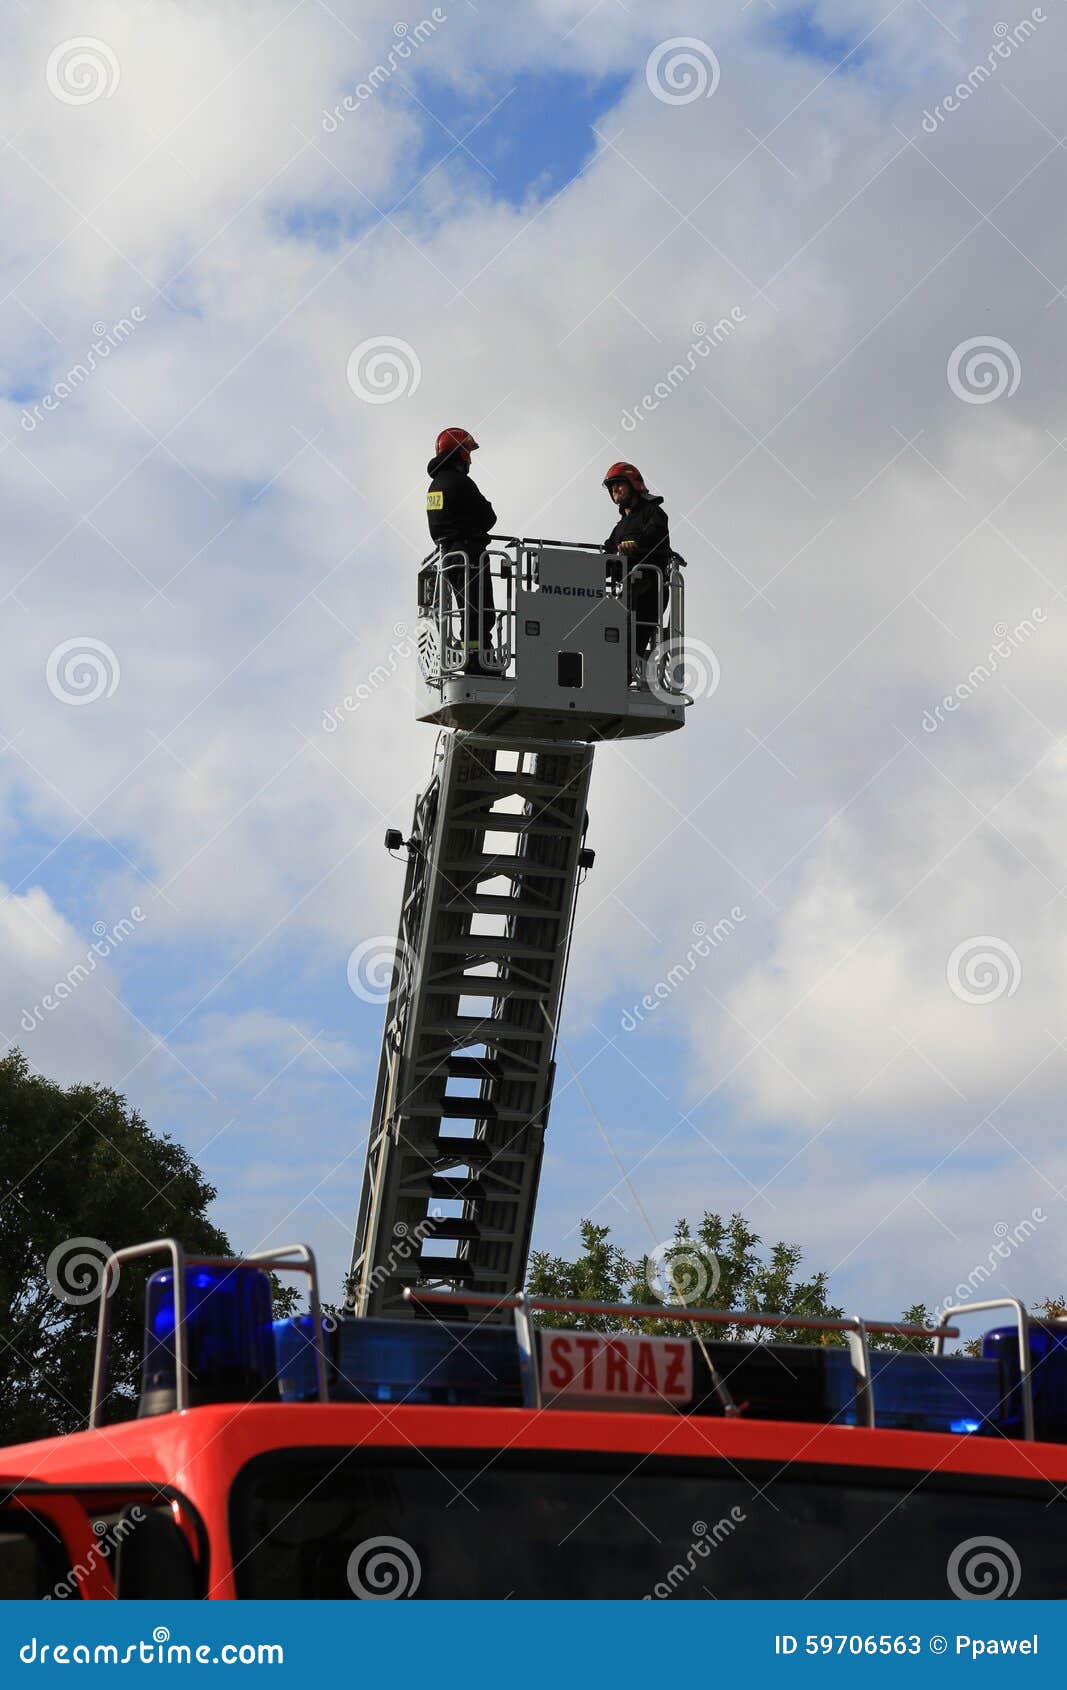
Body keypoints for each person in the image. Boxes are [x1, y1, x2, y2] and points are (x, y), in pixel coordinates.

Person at [426, 427, 497, 676]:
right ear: (462, 454)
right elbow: (489, 518)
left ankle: (469, 655)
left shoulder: (435, 486)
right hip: (470, 556)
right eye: (468, 452)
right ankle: (478, 660)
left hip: (450, 558)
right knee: (480, 612)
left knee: (465, 610)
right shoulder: (461, 482)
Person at [602, 461, 671, 669]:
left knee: (630, 645)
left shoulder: (653, 512)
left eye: (619, 484)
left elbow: (655, 536)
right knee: (613, 640)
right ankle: (614, 676)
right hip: (628, 592)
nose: (615, 489)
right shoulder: (620, 527)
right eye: (611, 486)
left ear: (634, 484)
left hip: (650, 589)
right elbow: (607, 554)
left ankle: (621, 678)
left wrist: (637, 545)